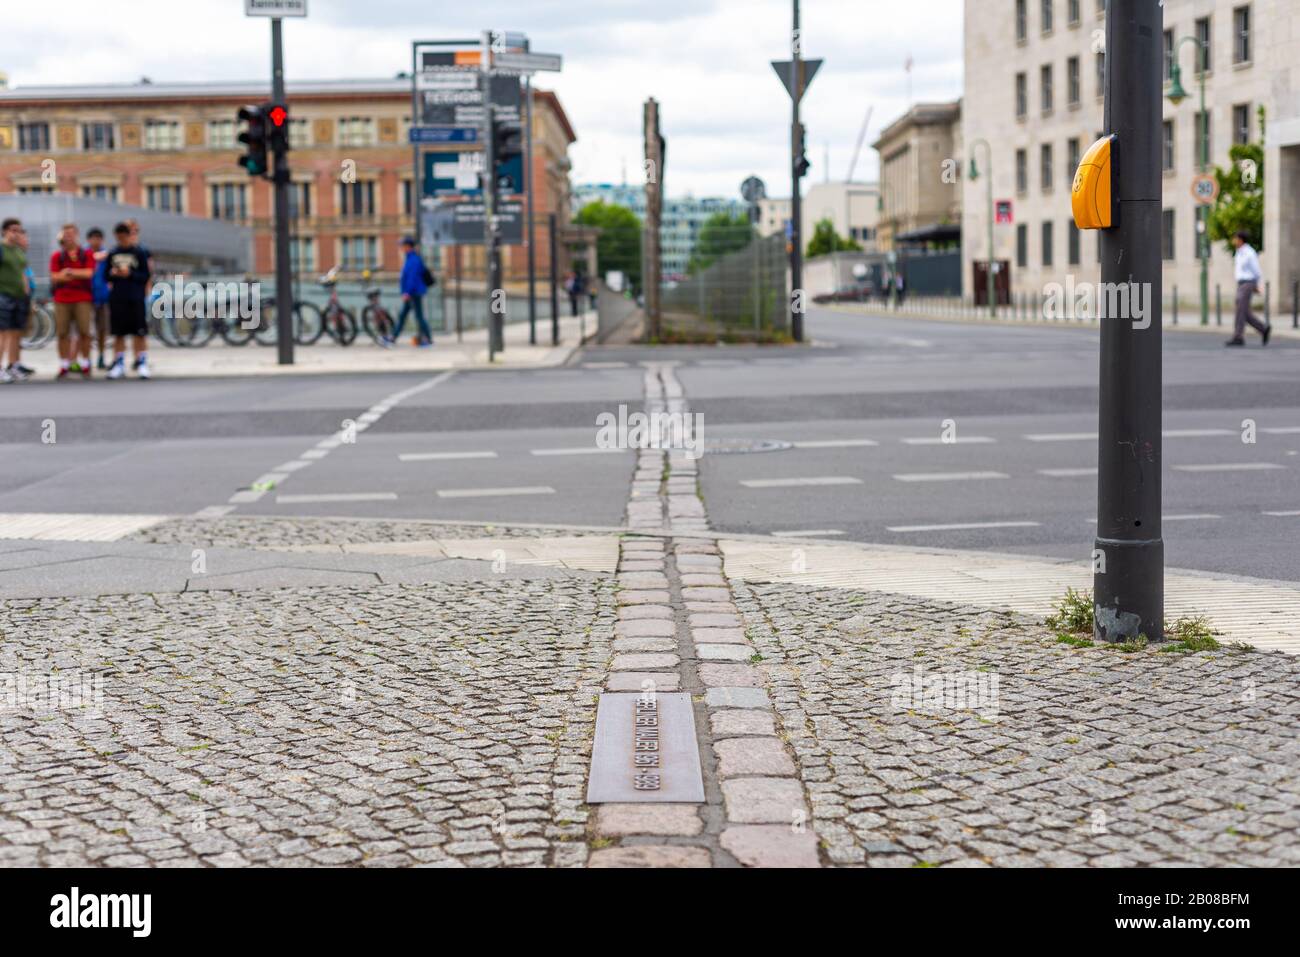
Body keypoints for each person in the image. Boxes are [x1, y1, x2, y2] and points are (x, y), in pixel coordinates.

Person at [105, 221, 152, 379]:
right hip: (118, 297)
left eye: (123, 237)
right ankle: (119, 364)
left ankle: (142, 363)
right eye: (118, 237)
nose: (121, 240)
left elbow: (145, 275)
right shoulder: (112, 253)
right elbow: (105, 275)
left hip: (135, 297)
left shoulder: (139, 253)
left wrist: (130, 274)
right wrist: (114, 273)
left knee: (139, 332)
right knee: (118, 333)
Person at [50, 223, 96, 379]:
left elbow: (89, 273)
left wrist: (69, 272)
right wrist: (74, 274)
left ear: (77, 235)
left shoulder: (86, 254)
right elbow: (54, 276)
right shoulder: (57, 256)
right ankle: (64, 363)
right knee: (62, 333)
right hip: (62, 299)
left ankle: (85, 362)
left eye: (71, 234)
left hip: (82, 298)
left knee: (85, 332)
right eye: (65, 234)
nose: (68, 237)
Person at [0, 217, 34, 384]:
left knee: (15, 333)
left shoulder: (18, 251)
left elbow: (23, 273)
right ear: (5, 231)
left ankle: (12, 365)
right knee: (3, 333)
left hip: (20, 297)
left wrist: (26, 292)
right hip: (3, 295)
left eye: (18, 230)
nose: (16, 234)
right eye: (13, 230)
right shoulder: (2, 248)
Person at [1227, 230, 1270, 347]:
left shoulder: (1249, 252)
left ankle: (1238, 336)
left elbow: (1257, 270)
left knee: (1241, 309)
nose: (1234, 240)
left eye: (1235, 238)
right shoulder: (1239, 252)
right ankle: (1263, 329)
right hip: (1241, 283)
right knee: (1244, 311)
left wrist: (1258, 285)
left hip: (1248, 283)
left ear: (1241, 239)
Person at [391, 236, 433, 347]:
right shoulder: (411, 258)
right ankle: (393, 337)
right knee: (405, 316)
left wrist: (407, 293)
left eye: (402, 245)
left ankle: (428, 339)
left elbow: (412, 278)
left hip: (413, 293)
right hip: (413, 293)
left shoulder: (413, 260)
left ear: (408, 246)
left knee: (417, 317)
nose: (401, 248)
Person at [86, 227, 111, 369]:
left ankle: (101, 356)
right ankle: (86, 358)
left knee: (102, 329)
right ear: (88, 240)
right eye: (93, 238)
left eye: (98, 238)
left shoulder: (107, 255)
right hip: (87, 296)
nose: (95, 241)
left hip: (103, 296)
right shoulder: (83, 254)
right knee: (87, 330)